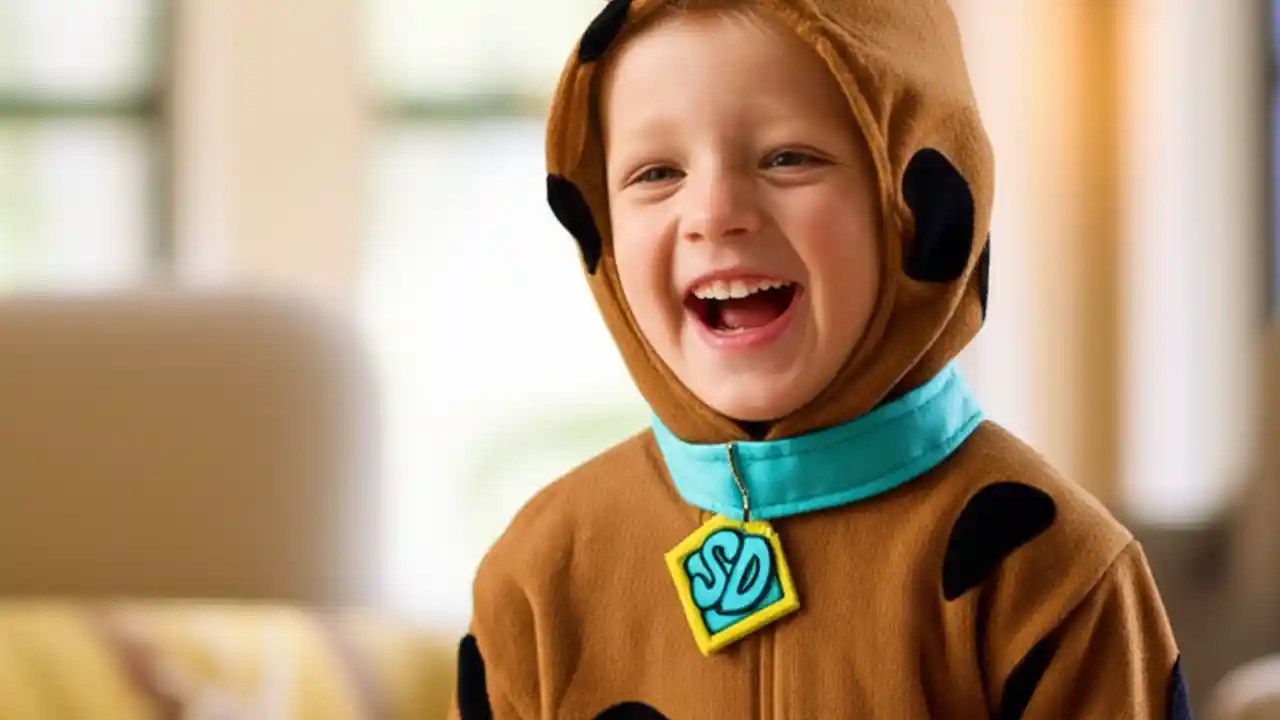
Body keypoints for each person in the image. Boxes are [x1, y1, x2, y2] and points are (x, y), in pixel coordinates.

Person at [450, 0, 1193, 717]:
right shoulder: (542, 575)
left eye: (789, 158)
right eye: (657, 174)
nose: (713, 213)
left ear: (915, 197)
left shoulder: (1049, 572)